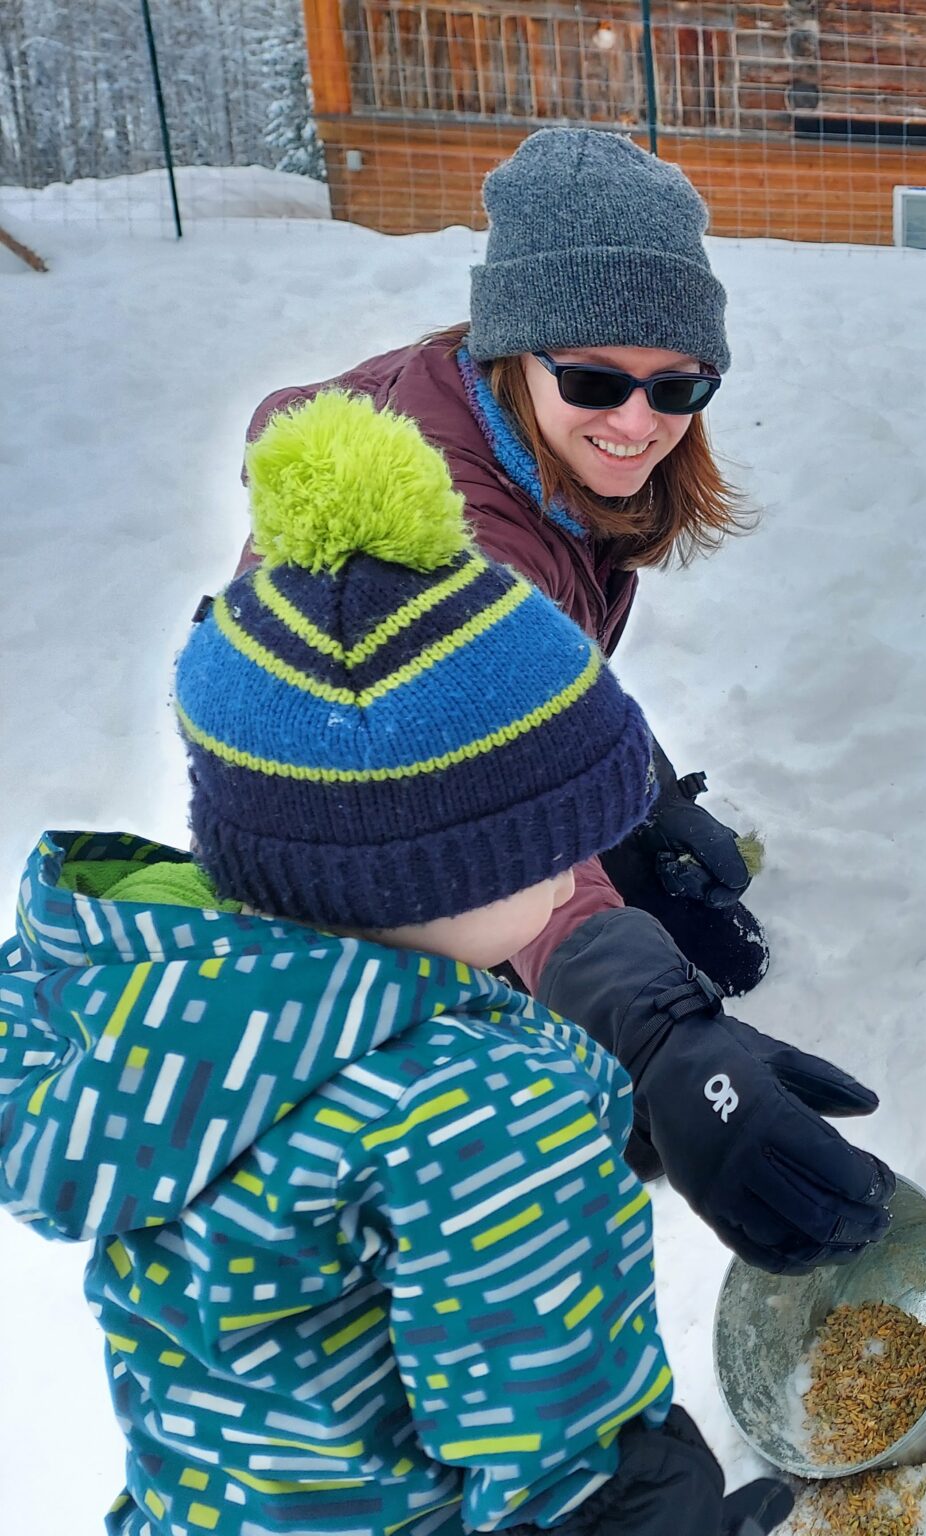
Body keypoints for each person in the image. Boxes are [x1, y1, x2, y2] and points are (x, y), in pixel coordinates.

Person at [0, 393, 819, 1534]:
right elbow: (559, 1454)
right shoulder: (481, 1110)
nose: (570, 875)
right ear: (417, 876)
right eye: (547, 848)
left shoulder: (137, 1022)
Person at [239, 127, 893, 1278]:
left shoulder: (530, 438)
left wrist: (635, 788)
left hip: (459, 766)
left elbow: (547, 682)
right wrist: (655, 1037)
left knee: (693, 934)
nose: (637, 422)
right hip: (360, 852)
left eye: (678, 383)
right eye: (594, 378)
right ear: (514, 351)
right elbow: (479, 804)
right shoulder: (438, 543)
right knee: (589, 1089)